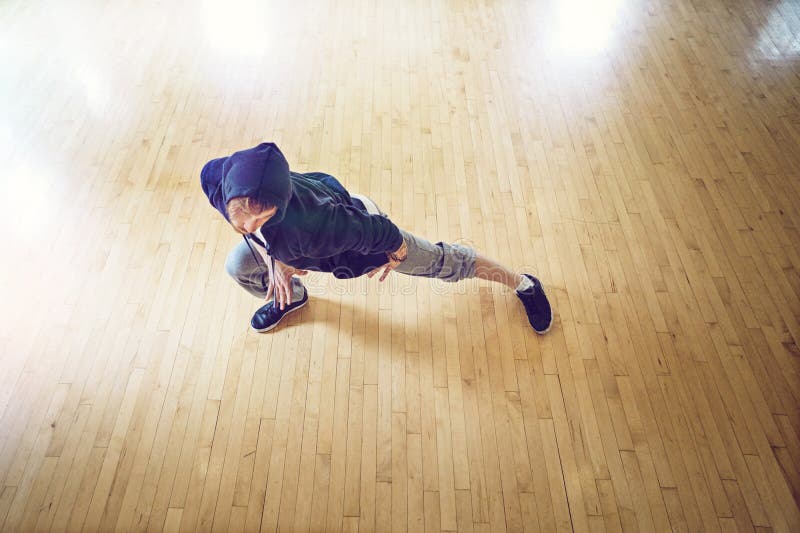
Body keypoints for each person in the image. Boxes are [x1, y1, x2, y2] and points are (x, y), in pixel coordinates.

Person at [200, 142, 552, 334]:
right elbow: (253, 231)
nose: (247, 223)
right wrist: (275, 262)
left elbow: (381, 233)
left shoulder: (317, 224)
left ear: (281, 204)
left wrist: (395, 252)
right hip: (298, 246)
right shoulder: (216, 179)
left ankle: (523, 284)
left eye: (262, 216)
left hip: (367, 240)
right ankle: (291, 297)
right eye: (242, 212)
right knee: (238, 265)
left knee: (443, 263)